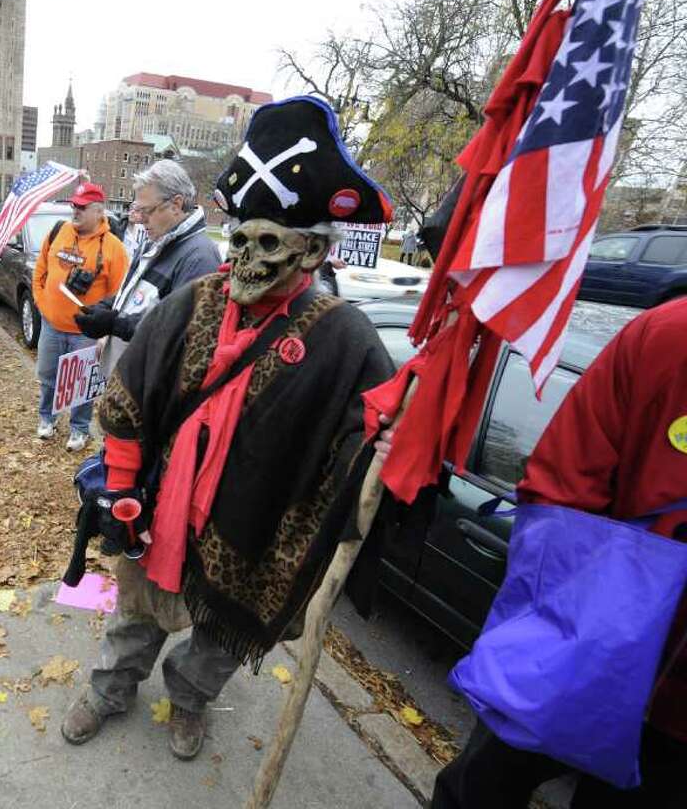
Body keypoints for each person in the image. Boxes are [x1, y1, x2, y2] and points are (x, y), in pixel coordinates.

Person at [60, 97, 394, 760]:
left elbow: (371, 427)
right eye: (240, 239)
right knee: (135, 614)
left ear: (313, 250)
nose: (248, 257)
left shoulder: (342, 334)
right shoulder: (192, 304)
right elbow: (128, 403)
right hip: (163, 504)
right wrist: (123, 494)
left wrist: (390, 433)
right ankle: (109, 689)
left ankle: (188, 703)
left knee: (216, 639)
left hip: (253, 530)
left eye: (270, 243)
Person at [430, 297, 687, 809]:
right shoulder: (668, 336)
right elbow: (560, 487)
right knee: (479, 790)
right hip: (583, 646)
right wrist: (592, 614)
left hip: (669, 715)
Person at [75, 160, 221, 379]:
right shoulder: (158, 238)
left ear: (176, 205)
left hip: (150, 390)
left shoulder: (199, 258)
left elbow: (179, 333)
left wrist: (116, 324)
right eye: (138, 210)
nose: (141, 219)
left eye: (147, 211)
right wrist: (107, 307)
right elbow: (133, 289)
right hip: (128, 380)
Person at [32, 181, 127, 451]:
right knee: (48, 375)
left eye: (82, 207)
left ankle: (79, 428)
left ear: (99, 211)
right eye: (74, 205)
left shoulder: (114, 248)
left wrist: (106, 333)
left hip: (86, 333)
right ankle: (46, 418)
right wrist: (42, 304)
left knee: (81, 385)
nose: (75, 210)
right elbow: (40, 272)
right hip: (52, 325)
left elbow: (119, 295)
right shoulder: (58, 232)